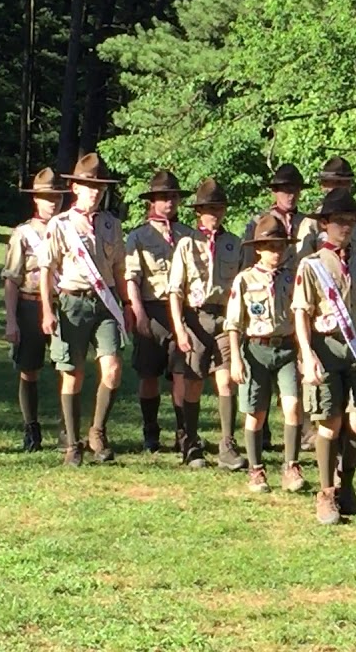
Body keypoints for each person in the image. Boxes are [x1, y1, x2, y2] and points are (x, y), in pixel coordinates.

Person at [293, 189, 356, 524]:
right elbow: (301, 312)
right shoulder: (312, 265)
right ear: (325, 224)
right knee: (329, 421)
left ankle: (347, 480)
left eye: (351, 221)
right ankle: (326, 492)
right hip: (325, 345)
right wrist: (307, 354)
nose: (346, 227)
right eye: (339, 221)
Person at [40, 154, 127, 467]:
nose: (95, 192)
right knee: (72, 374)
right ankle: (72, 443)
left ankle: (97, 432)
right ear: (75, 187)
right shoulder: (60, 224)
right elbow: (47, 269)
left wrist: (128, 305)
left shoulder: (111, 225)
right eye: (89, 186)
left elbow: (119, 269)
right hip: (72, 303)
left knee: (112, 369)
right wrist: (47, 310)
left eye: (100, 187)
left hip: (105, 303)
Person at [169, 178, 247, 471]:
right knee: (194, 381)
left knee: (226, 380)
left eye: (219, 208)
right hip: (195, 317)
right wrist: (179, 328)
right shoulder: (187, 244)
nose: (214, 214)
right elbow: (175, 290)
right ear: (198, 212)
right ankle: (190, 442)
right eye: (208, 209)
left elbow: (241, 286)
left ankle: (227, 444)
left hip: (225, 317)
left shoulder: (234, 244)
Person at [243, 163, 322, 449]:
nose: (291, 195)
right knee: (263, 370)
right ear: (275, 192)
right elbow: (247, 261)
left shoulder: (310, 223)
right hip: (264, 298)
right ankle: (261, 431)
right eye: (285, 190)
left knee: (301, 365)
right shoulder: (259, 221)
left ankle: (306, 428)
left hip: (301, 297)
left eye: (295, 190)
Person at [226, 216, 305, 494]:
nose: (276, 252)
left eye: (281, 246)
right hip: (256, 349)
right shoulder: (245, 279)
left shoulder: (293, 277)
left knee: (293, 405)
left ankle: (291, 465)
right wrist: (235, 359)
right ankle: (256, 469)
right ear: (258, 248)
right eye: (270, 247)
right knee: (256, 412)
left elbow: (301, 315)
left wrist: (303, 351)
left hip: (286, 348)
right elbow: (234, 323)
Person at [125, 171, 194, 458]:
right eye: (164, 197)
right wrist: (138, 313)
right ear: (152, 201)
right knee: (149, 374)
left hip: (182, 311)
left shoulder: (189, 235)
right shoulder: (139, 236)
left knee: (181, 374)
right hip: (152, 309)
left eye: (174, 197)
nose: (170, 202)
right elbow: (132, 278)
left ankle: (183, 432)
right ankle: (150, 430)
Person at [2, 168, 69, 451]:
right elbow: (12, 279)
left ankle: (67, 429)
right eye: (47, 197)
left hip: (61, 304)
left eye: (57, 197)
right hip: (30, 305)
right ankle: (31, 427)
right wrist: (11, 320)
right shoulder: (24, 234)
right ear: (36, 199)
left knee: (67, 368)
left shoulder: (68, 229)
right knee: (29, 370)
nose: (52, 203)